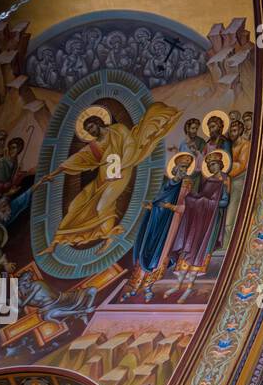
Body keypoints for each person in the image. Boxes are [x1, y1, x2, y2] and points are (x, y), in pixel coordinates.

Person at [37, 103, 180, 256]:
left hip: (120, 174)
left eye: (92, 126)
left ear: (98, 122)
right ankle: (54, 243)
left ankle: (109, 238)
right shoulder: (95, 145)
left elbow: (129, 145)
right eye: (88, 130)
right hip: (101, 179)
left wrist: (122, 165)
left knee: (102, 206)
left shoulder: (118, 130)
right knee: (75, 206)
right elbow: (78, 158)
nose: (91, 131)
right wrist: (54, 173)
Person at [164, 150, 231, 301]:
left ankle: (189, 286)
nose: (211, 167)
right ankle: (178, 284)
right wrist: (196, 200)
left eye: (213, 164)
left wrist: (205, 203)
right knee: (188, 249)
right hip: (198, 220)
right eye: (209, 164)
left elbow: (224, 202)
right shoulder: (208, 181)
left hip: (211, 223)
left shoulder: (225, 180)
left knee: (199, 251)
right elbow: (202, 196)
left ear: (220, 164)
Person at [124, 152, 193, 301]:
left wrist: (171, 207)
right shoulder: (167, 184)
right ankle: (134, 286)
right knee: (145, 251)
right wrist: (152, 206)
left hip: (169, 226)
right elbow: (158, 201)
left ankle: (148, 287)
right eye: (181, 167)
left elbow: (187, 207)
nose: (183, 170)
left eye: (186, 168)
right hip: (155, 224)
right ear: (174, 168)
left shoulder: (186, 185)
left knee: (160, 256)